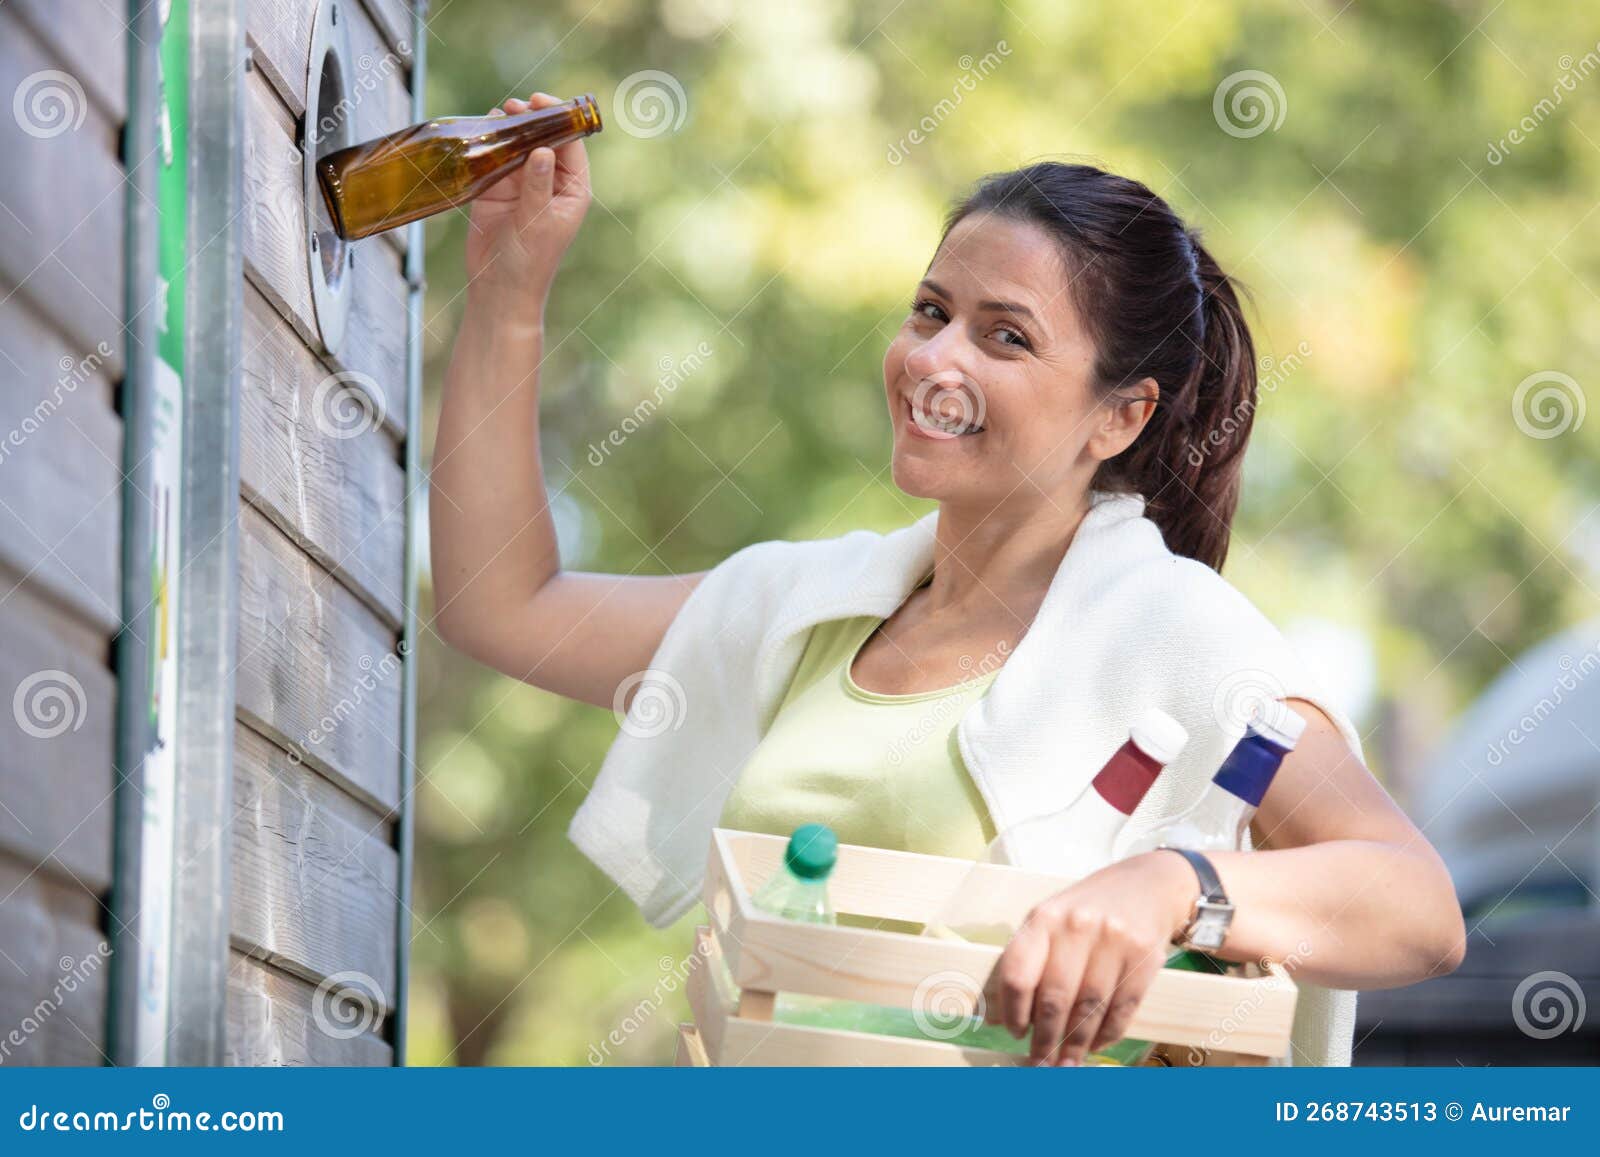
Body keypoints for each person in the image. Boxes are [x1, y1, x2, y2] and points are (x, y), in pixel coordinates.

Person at [431, 92, 1467, 1067]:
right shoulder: (812, 608)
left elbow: (1415, 905)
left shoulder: (1172, 632)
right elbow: (500, 602)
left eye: (1004, 336)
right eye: (931, 311)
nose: (934, 360)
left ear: (1121, 414)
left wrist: (1170, 885)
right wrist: (510, 282)